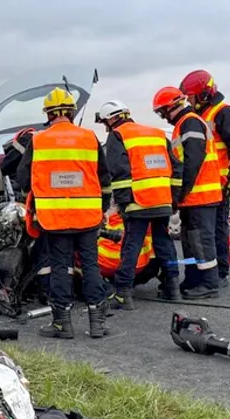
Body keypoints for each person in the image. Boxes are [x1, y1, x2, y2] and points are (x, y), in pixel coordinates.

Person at [31, 87, 112, 339]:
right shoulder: (89, 137)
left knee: (60, 267)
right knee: (90, 265)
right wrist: (105, 207)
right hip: (88, 216)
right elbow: (105, 178)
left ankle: (62, 324)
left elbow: (25, 179)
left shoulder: (38, 140)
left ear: (48, 114)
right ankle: (97, 323)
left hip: (54, 218)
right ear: (72, 111)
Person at [96, 100, 181, 307]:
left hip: (138, 202)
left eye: (105, 123)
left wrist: (124, 204)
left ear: (111, 119)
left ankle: (124, 292)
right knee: (164, 243)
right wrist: (174, 198)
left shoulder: (118, 135)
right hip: (162, 200)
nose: (106, 127)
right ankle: (173, 287)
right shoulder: (157, 133)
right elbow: (176, 168)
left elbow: (119, 173)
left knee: (131, 245)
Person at [153, 86, 224, 299]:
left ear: (171, 107)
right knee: (192, 241)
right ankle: (193, 280)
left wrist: (180, 193)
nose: (163, 117)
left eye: (162, 112)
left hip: (200, 196)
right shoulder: (185, 124)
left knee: (201, 241)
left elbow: (192, 161)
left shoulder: (190, 122)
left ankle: (209, 283)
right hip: (195, 197)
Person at [180, 70, 230, 288]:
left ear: (204, 94)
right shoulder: (201, 115)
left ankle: (220, 273)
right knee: (208, 232)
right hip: (208, 185)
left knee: (217, 230)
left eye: (190, 97)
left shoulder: (223, 112)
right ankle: (209, 272)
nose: (188, 101)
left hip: (221, 183)